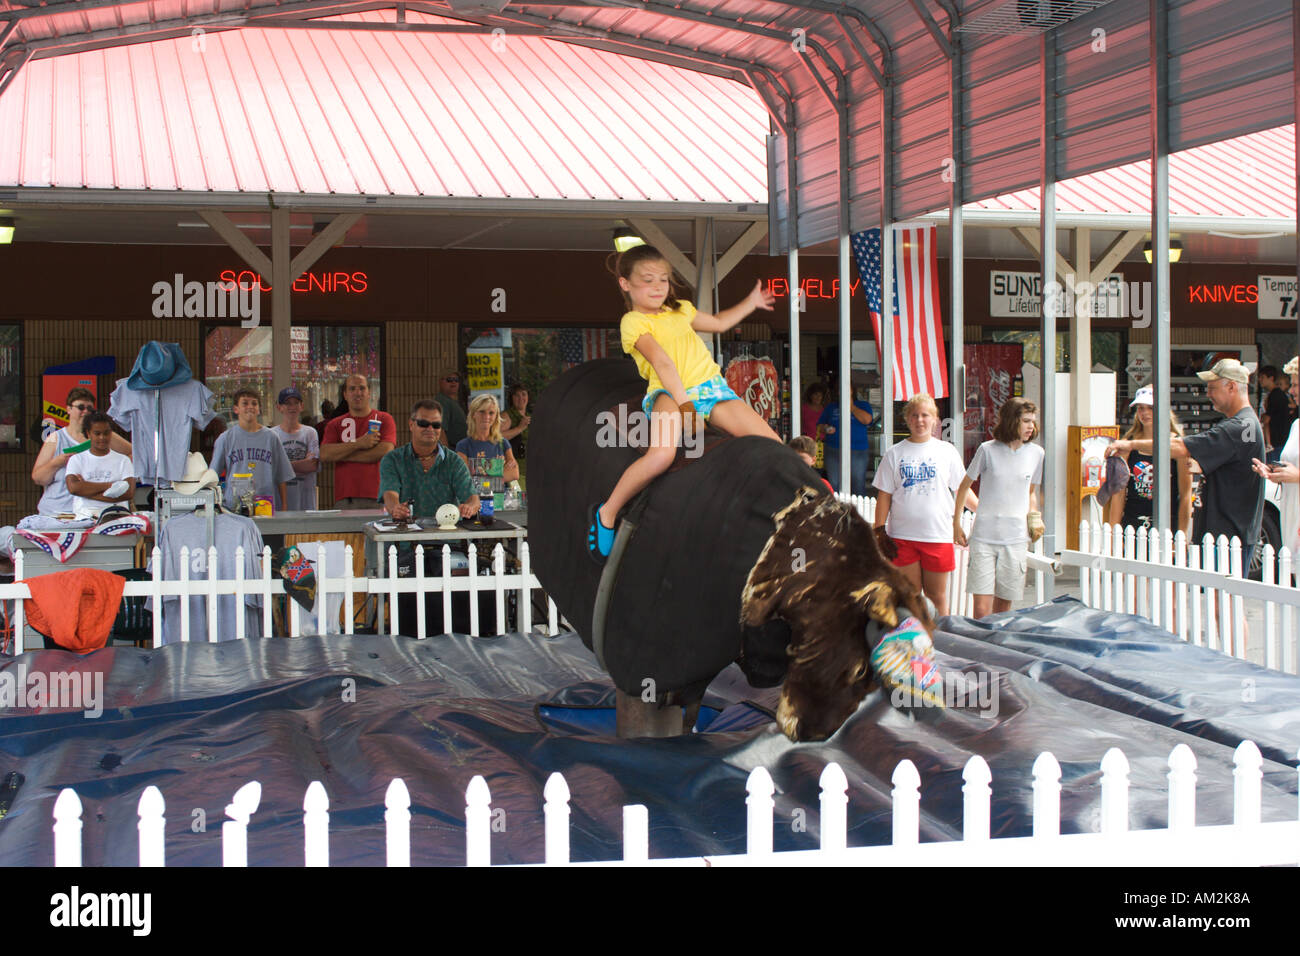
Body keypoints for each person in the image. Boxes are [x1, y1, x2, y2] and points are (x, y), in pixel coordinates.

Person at [587, 244, 778, 563]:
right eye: (647, 280)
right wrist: (685, 405)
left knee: (773, 446)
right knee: (661, 455)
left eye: (663, 279)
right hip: (668, 392)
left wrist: (751, 302)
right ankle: (607, 513)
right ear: (626, 284)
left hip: (713, 390)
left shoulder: (681, 310)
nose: (658, 286)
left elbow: (717, 323)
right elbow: (662, 362)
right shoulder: (633, 322)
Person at [1108, 358, 1263, 559]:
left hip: (1228, 536)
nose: (1208, 394)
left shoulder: (1239, 426)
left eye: (1212, 388)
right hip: (1228, 533)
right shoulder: (1247, 424)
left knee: (1219, 591)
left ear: (1232, 387)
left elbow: (1180, 448)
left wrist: (1130, 444)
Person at [873, 394, 968, 617]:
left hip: (937, 535)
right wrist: (879, 529)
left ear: (935, 419)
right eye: (914, 415)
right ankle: (915, 644)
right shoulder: (894, 453)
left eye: (925, 415)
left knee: (937, 597)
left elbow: (962, 490)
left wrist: (984, 511)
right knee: (910, 596)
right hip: (903, 537)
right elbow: (884, 495)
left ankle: (943, 643)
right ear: (907, 419)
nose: (920, 420)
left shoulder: (946, 451)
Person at [953, 397, 1045, 619]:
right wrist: (956, 524)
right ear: (1012, 421)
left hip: (1016, 539)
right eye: (1025, 421)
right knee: (982, 612)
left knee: (1003, 612)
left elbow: (1030, 491)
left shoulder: (1037, 454)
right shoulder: (987, 450)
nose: (1031, 426)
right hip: (984, 538)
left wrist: (1034, 516)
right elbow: (964, 487)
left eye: (1033, 421)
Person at [1105, 385, 1193, 537]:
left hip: (1167, 528)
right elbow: (1118, 493)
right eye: (1140, 408)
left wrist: (1182, 535)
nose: (1144, 413)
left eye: (1150, 408)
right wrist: (1114, 533)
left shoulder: (1176, 445)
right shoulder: (1128, 444)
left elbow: (1185, 494)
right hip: (1132, 525)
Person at [32, 387, 132, 516]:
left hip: (95, 510)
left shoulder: (106, 436)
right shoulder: (54, 438)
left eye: (89, 408)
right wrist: (57, 462)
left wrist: (117, 472)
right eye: (80, 407)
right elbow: (38, 478)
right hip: (58, 511)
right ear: (69, 409)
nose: (85, 412)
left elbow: (134, 455)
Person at [380, 400, 479, 523]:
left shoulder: (454, 461)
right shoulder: (393, 459)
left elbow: (473, 499)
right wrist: (396, 508)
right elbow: (390, 494)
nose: (430, 428)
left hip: (448, 537)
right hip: (406, 537)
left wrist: (469, 507)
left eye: (436, 425)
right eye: (423, 423)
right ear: (411, 425)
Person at [210, 389, 295, 512]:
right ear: (236, 409)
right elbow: (213, 477)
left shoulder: (271, 437)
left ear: (259, 409)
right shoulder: (225, 439)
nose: (250, 407)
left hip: (265, 505)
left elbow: (281, 476)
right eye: (245, 403)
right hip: (234, 507)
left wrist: (284, 506)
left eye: (254, 404)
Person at [1252, 355, 1300, 568]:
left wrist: (1296, 476)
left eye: (1297, 384)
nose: (1292, 391)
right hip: (1293, 518)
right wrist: (1274, 473)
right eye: (1292, 384)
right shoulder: (1297, 425)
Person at [320, 374, 397, 508]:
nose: (357, 393)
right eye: (352, 389)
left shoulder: (385, 419)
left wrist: (343, 454)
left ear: (369, 393)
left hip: (378, 495)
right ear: (345, 394)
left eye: (362, 388)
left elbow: (385, 451)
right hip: (346, 497)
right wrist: (359, 443)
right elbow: (325, 454)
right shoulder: (334, 424)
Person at [64, 412, 136, 519]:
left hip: (117, 518)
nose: (102, 437)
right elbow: (73, 488)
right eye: (97, 433)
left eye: (106, 433)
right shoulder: (76, 459)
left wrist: (85, 488)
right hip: (84, 519)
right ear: (88, 434)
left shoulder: (123, 460)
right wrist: (113, 486)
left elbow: (128, 492)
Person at [456, 394, 520, 509]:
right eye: (482, 412)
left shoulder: (503, 443)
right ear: (474, 414)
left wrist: (479, 477)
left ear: (496, 416)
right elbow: (465, 480)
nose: (487, 416)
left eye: (491, 413)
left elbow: (514, 474)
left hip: (500, 505)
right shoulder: (463, 446)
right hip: (474, 507)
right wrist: (498, 472)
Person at [817, 376, 874, 496]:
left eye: (847, 389)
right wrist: (826, 428)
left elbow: (867, 420)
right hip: (833, 450)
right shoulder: (831, 407)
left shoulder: (863, 405)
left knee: (857, 483)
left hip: (857, 450)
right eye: (840, 389)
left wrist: (852, 407)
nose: (843, 391)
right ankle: (837, 512)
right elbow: (820, 425)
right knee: (834, 484)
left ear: (852, 390)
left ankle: (858, 512)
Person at [272, 386, 320, 511]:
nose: (292, 407)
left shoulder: (310, 433)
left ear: (301, 406)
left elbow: (312, 465)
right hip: (281, 503)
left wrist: (282, 467)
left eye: (296, 403)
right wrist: (302, 464)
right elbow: (271, 469)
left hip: (306, 503)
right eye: (287, 403)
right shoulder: (271, 435)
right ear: (279, 407)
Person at [1258, 365, 1292, 463]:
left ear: (1271, 378)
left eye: (1262, 377)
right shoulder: (1276, 394)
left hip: (1276, 442)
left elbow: (1267, 420)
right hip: (1278, 441)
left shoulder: (1275, 395)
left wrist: (1268, 443)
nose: (1260, 380)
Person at [501, 383, 531, 479]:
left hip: (529, 469)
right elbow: (495, 437)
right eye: (516, 395)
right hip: (514, 471)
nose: (520, 398)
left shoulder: (528, 415)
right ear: (511, 398)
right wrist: (519, 428)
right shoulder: (507, 416)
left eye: (523, 394)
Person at [436, 370, 469, 449]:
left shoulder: (454, 402)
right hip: (452, 451)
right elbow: (440, 430)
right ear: (440, 382)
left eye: (456, 380)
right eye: (449, 380)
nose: (453, 382)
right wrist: (447, 456)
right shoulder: (442, 401)